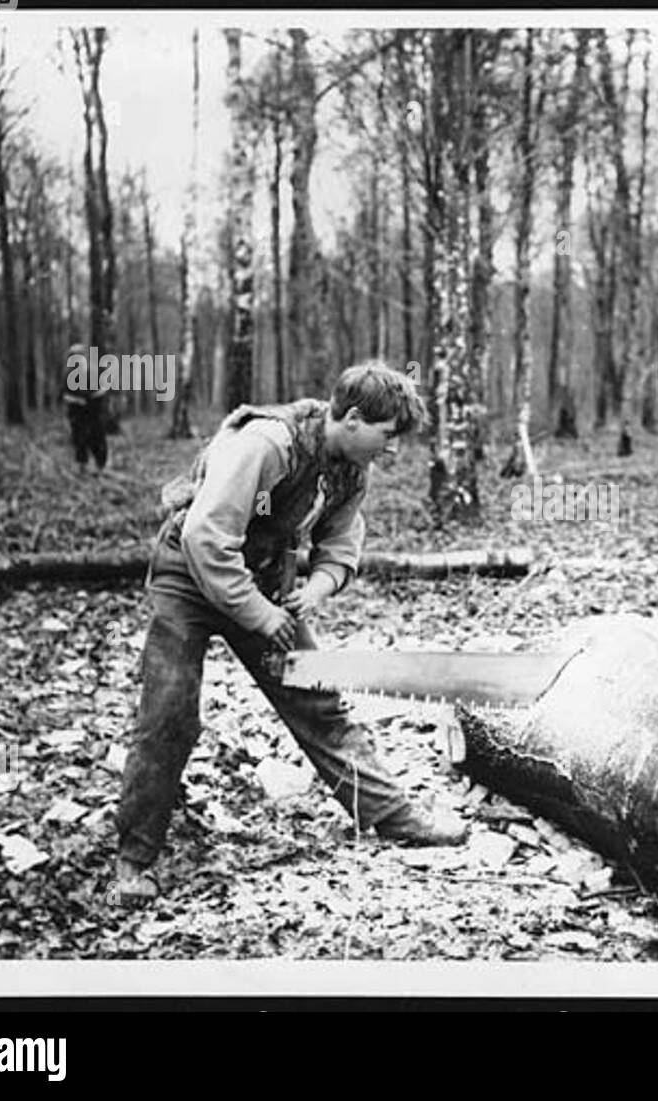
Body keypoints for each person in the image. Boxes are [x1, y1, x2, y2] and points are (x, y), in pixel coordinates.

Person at [114, 361, 468, 905]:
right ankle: (134, 858)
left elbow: (341, 543)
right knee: (169, 712)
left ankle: (392, 816)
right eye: (388, 436)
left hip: (257, 582)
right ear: (352, 419)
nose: (393, 450)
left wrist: (318, 588)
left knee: (317, 701)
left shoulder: (351, 468)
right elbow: (205, 538)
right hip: (187, 577)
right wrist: (260, 615)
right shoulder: (267, 443)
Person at [62, 341, 109, 473]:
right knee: (79, 438)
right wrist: (77, 400)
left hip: (93, 412)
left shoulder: (92, 372)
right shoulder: (67, 375)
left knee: (97, 437)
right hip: (77, 413)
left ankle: (101, 466)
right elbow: (65, 395)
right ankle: (82, 465)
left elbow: (103, 389)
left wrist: (94, 397)